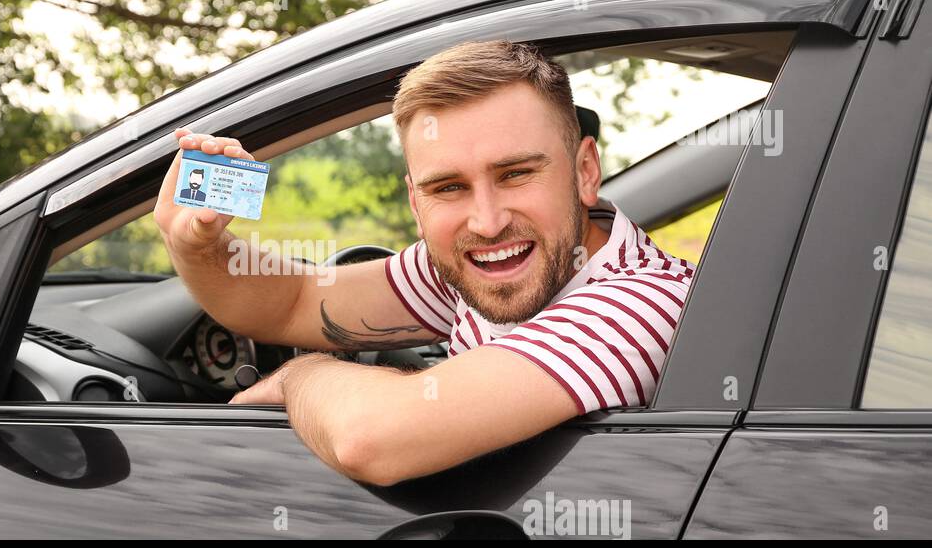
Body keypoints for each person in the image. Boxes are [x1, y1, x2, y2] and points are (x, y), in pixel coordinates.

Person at [153, 40, 693, 486]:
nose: (485, 222)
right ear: (416, 201)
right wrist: (196, 246)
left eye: (516, 174)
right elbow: (289, 301)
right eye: (449, 187)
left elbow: (372, 439)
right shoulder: (472, 267)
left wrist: (298, 375)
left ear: (584, 171)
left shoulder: (645, 301)